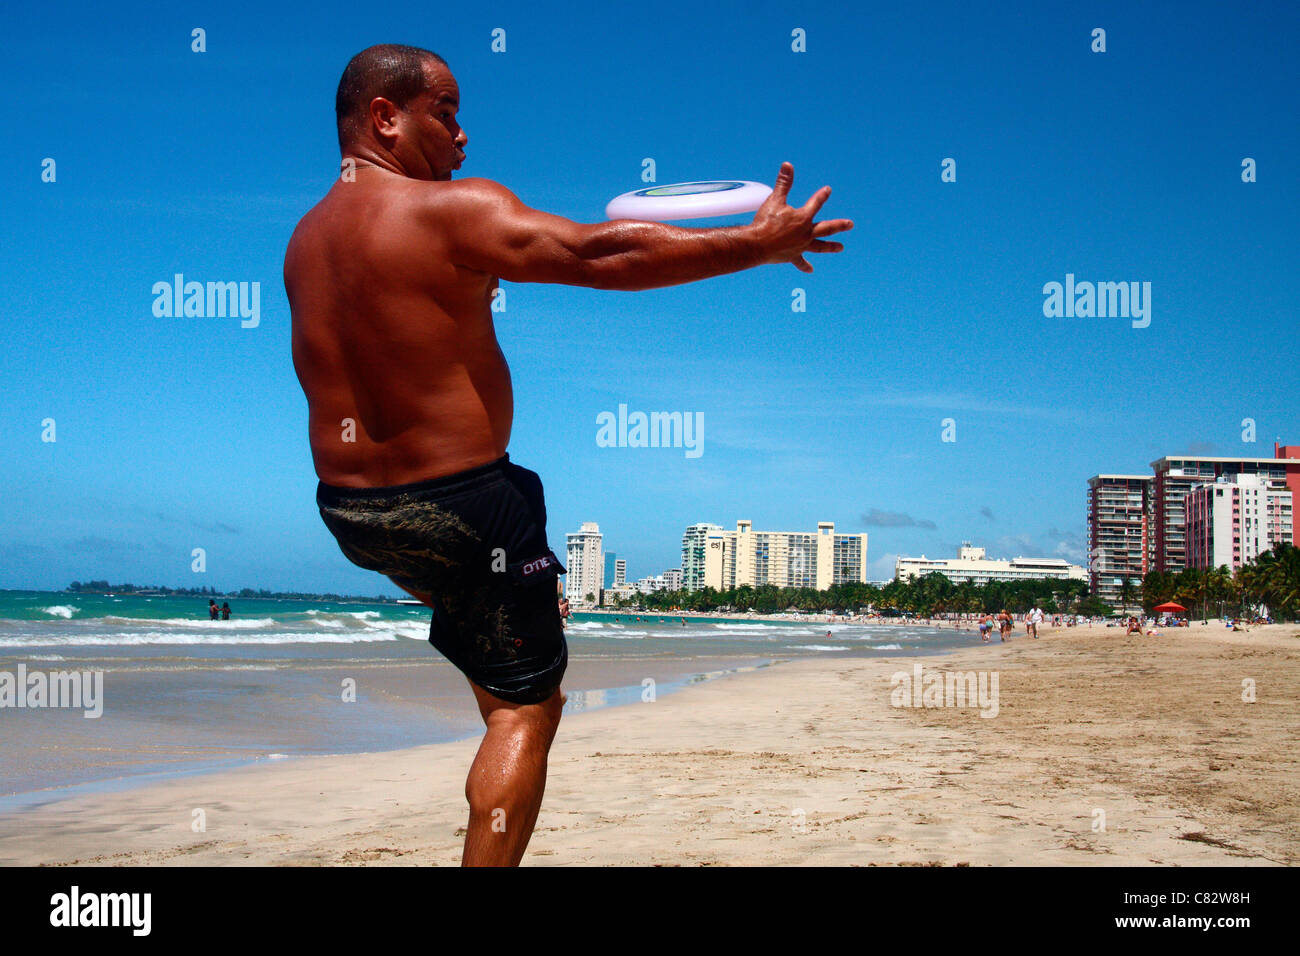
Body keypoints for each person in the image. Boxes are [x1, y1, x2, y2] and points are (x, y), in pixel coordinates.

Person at [285, 44, 851, 868]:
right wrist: (753, 244)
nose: (463, 134)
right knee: (526, 714)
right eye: (445, 111)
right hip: (466, 508)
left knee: (501, 677)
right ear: (384, 117)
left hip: (352, 513)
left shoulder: (305, 241)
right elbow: (596, 255)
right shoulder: (450, 211)